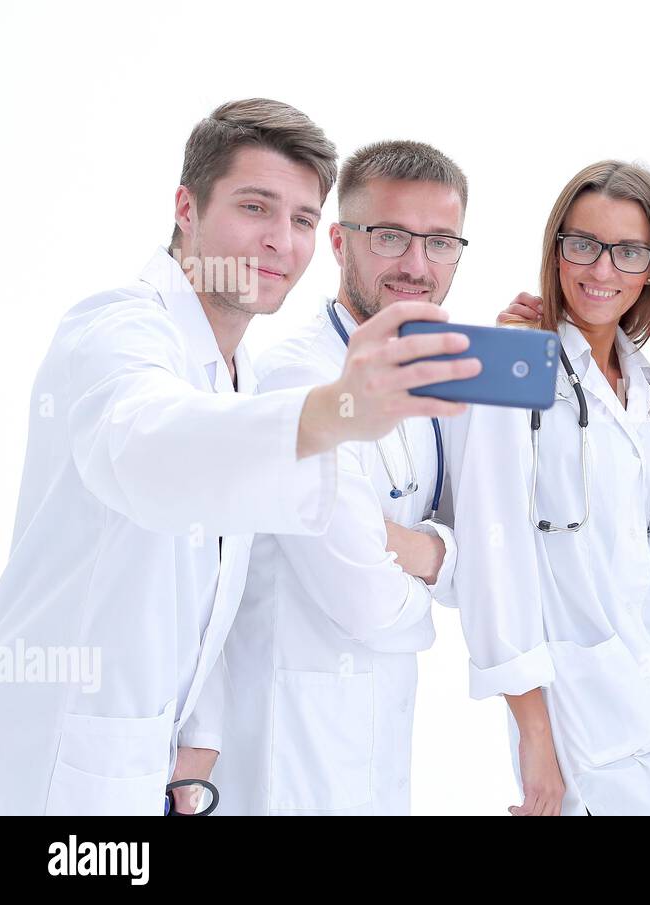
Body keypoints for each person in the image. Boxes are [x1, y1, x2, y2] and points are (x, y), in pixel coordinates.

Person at [0, 100, 479, 816]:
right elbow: (148, 447)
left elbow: (209, 580)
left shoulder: (236, 368)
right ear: (186, 208)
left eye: (302, 219)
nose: (279, 241)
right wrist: (336, 409)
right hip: (64, 767)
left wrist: (201, 730)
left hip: (157, 769)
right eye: (256, 207)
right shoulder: (116, 326)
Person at [451, 161, 650, 815]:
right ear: (556, 249)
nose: (602, 272)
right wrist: (535, 742)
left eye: (627, 251)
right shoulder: (510, 365)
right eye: (584, 245)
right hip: (576, 721)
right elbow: (493, 564)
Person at [204, 140, 469, 814]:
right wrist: (440, 577)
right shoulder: (299, 379)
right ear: (339, 242)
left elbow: (491, 557)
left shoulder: (430, 381)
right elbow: (366, 606)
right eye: (390, 237)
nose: (417, 265)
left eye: (440, 242)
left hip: (378, 756)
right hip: (286, 759)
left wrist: (421, 549)